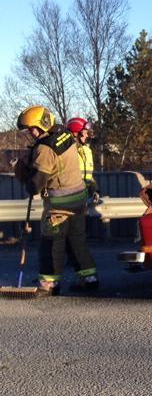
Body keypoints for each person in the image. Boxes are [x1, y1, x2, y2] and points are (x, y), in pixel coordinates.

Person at [14, 105, 98, 295]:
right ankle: (89, 277)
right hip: (79, 200)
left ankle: (49, 284)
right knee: (77, 240)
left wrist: (25, 173)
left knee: (51, 243)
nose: (31, 132)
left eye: (32, 128)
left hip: (59, 206)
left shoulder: (44, 148)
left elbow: (36, 185)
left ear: (43, 124)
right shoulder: (65, 134)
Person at [66, 117, 99, 202]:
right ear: (76, 133)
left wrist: (95, 189)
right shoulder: (65, 150)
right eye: (84, 132)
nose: (87, 135)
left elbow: (88, 175)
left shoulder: (87, 151)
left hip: (84, 198)